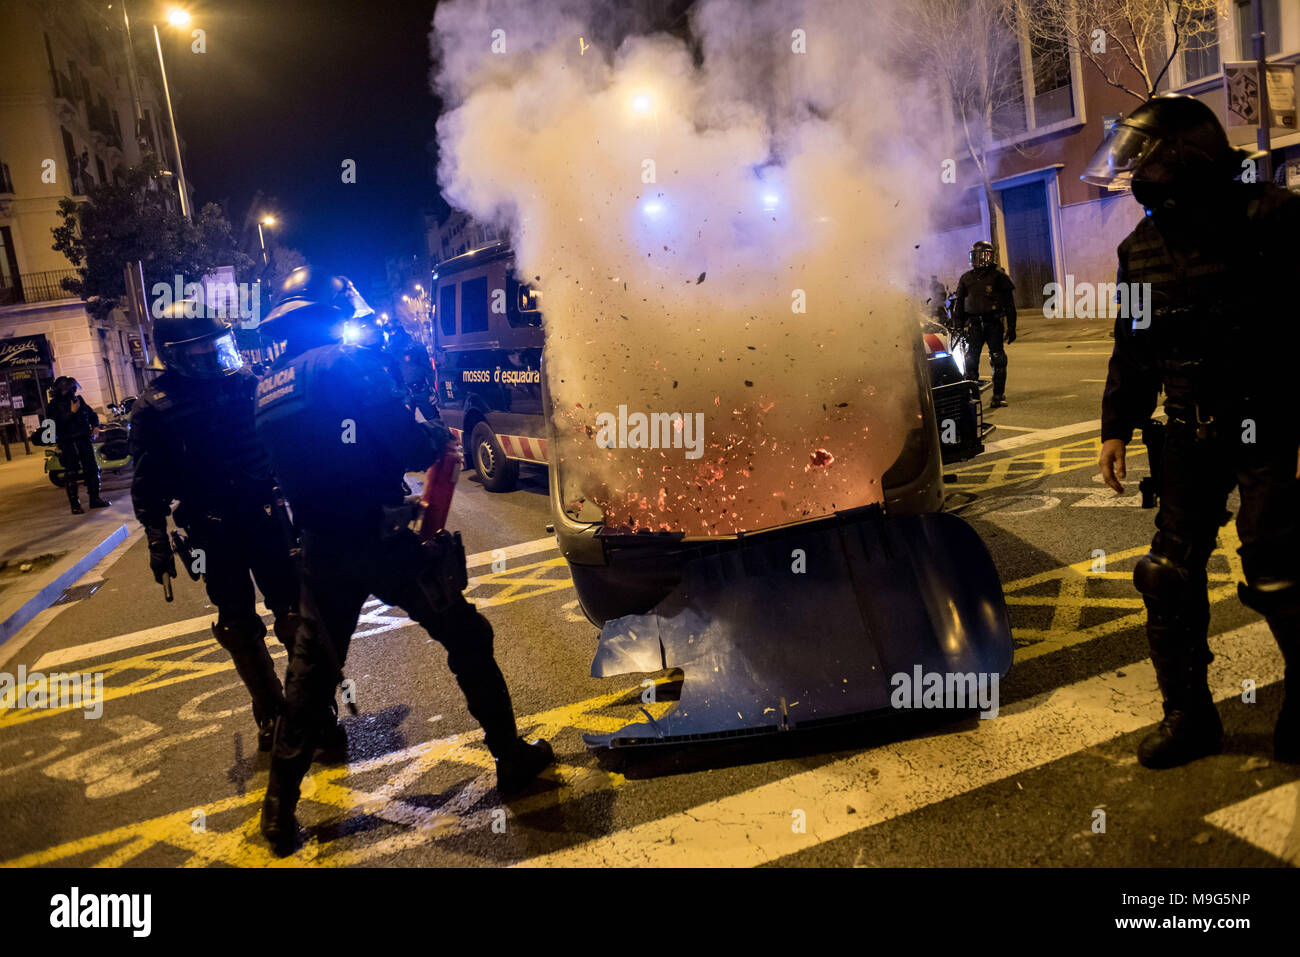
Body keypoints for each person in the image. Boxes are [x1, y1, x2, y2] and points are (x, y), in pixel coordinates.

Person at [253, 267, 553, 854]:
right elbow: (412, 446)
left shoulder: (267, 386)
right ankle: (510, 756)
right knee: (467, 635)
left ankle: (278, 809)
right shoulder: (345, 365)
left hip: (319, 548)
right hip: (383, 541)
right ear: (327, 315)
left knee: (311, 676)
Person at [1091, 94, 1300, 769]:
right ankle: (1188, 716)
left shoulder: (1272, 218)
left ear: (1184, 157)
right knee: (1167, 573)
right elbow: (1134, 344)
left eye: (1145, 159)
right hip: (1186, 428)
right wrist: (1116, 425)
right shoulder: (1141, 249)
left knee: (1278, 571)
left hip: (1266, 418)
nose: (1136, 177)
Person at [129, 302, 333, 753]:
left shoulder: (247, 385)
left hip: (266, 514)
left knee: (294, 613)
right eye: (199, 347)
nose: (209, 353)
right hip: (210, 527)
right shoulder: (154, 409)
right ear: (176, 353)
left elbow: (286, 448)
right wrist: (156, 537)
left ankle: (313, 706)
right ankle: (271, 714)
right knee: (237, 624)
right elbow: (149, 481)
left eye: (214, 343)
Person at [952, 241, 1017, 408]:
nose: (979, 259)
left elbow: (1009, 304)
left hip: (993, 323)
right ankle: (973, 396)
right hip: (974, 324)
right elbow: (959, 305)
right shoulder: (966, 278)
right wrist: (958, 326)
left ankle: (998, 395)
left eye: (983, 255)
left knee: (998, 358)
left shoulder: (999, 277)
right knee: (971, 360)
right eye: (976, 255)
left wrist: (1012, 326)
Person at [48, 376, 109, 514]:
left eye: (73, 389)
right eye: (68, 389)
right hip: (68, 442)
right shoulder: (53, 406)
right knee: (71, 473)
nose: (72, 392)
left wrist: (95, 426)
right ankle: (75, 505)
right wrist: (71, 412)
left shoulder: (78, 400)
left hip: (84, 439)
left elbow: (92, 414)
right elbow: (53, 426)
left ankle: (95, 499)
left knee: (92, 469)